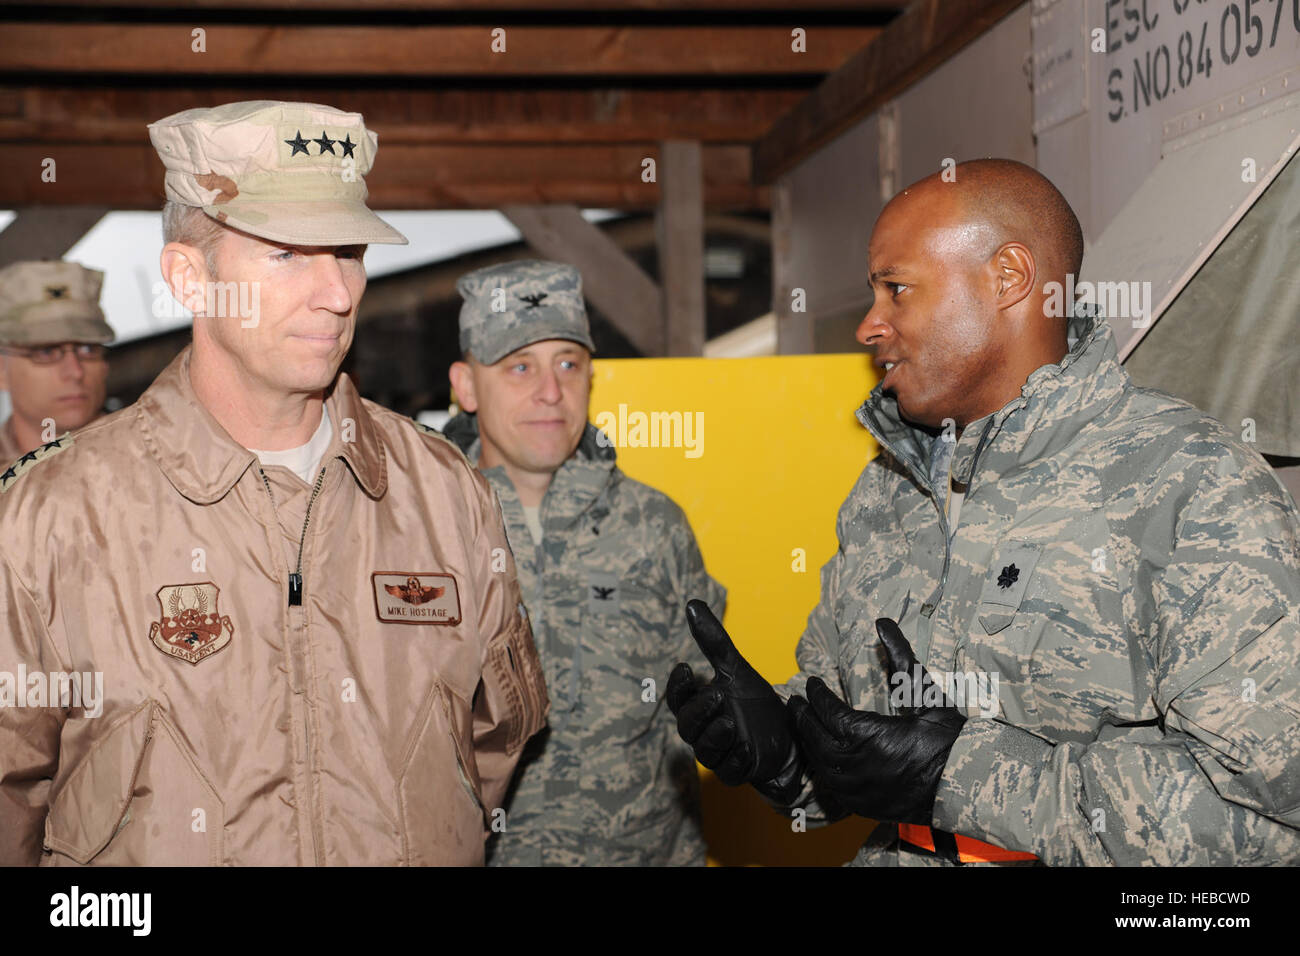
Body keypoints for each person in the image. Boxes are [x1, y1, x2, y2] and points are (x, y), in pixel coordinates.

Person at [667, 159, 1300, 866]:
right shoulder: (887, 491)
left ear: (1009, 277)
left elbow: (1265, 822)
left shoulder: (1190, 483)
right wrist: (786, 753)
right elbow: (872, 751)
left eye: (896, 290)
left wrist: (960, 778)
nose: (869, 326)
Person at [0, 100, 548, 866]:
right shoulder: (54, 516)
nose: (337, 292)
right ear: (190, 279)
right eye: (289, 253)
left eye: (348, 250)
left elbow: (488, 750)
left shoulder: (444, 493)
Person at [444, 259, 725, 865]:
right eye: (520, 366)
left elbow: (704, 715)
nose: (551, 392)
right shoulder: (421, 529)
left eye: (568, 364)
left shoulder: (655, 526)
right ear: (466, 386)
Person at [0, 260, 112, 462]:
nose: (75, 372)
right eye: (46, 352)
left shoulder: (157, 454)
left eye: (88, 349)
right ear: (2, 371)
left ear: (104, 365)